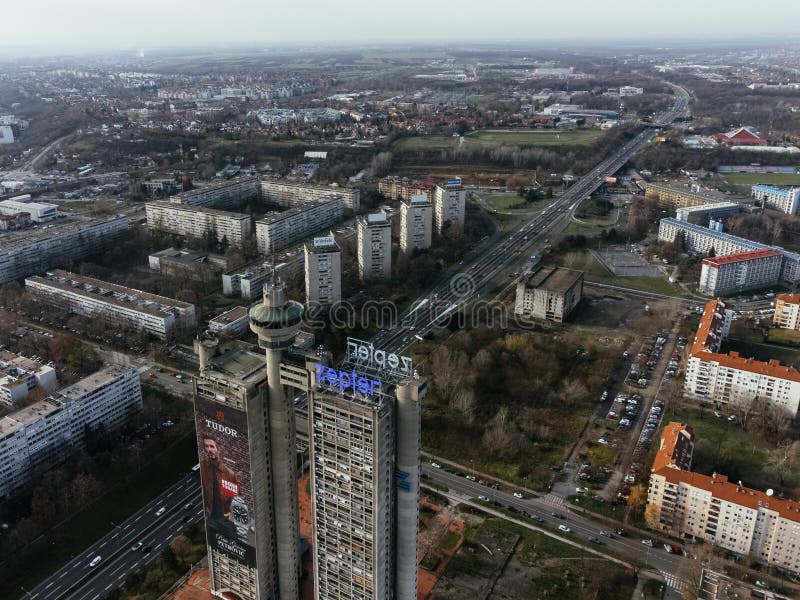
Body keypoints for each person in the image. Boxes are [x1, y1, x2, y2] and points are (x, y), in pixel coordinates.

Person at [199, 434, 239, 525]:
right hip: (211, 515)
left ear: (218, 449)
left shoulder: (229, 474)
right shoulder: (202, 467)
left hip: (225, 518)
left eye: (212, 447)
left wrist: (231, 515)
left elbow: (235, 497)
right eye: (206, 446)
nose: (209, 450)